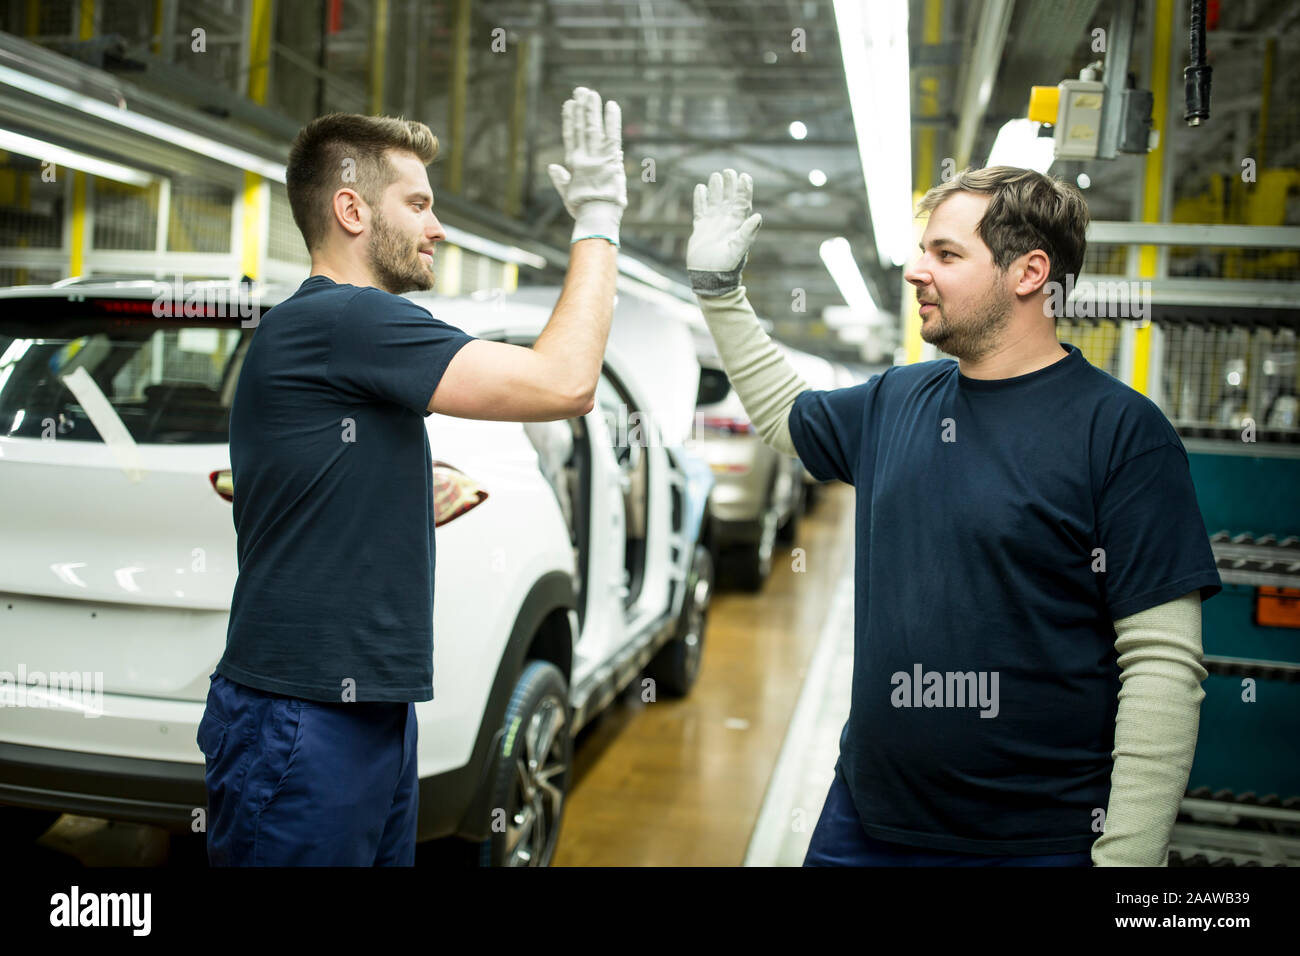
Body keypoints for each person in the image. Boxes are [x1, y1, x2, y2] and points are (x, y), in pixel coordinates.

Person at [685, 166, 1222, 866]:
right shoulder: (899, 399)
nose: (915, 273)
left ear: (1030, 272)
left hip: (1033, 844)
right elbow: (789, 418)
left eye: (946, 254)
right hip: (866, 819)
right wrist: (721, 296)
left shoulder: (1120, 434)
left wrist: (1124, 866)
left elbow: (1162, 662)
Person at [197, 87, 626, 866]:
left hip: (359, 714)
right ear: (355, 212)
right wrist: (597, 224)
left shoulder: (327, 335)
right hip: (306, 720)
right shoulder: (345, 318)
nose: (437, 226)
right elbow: (565, 381)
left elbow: (321, 471)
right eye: (419, 203)